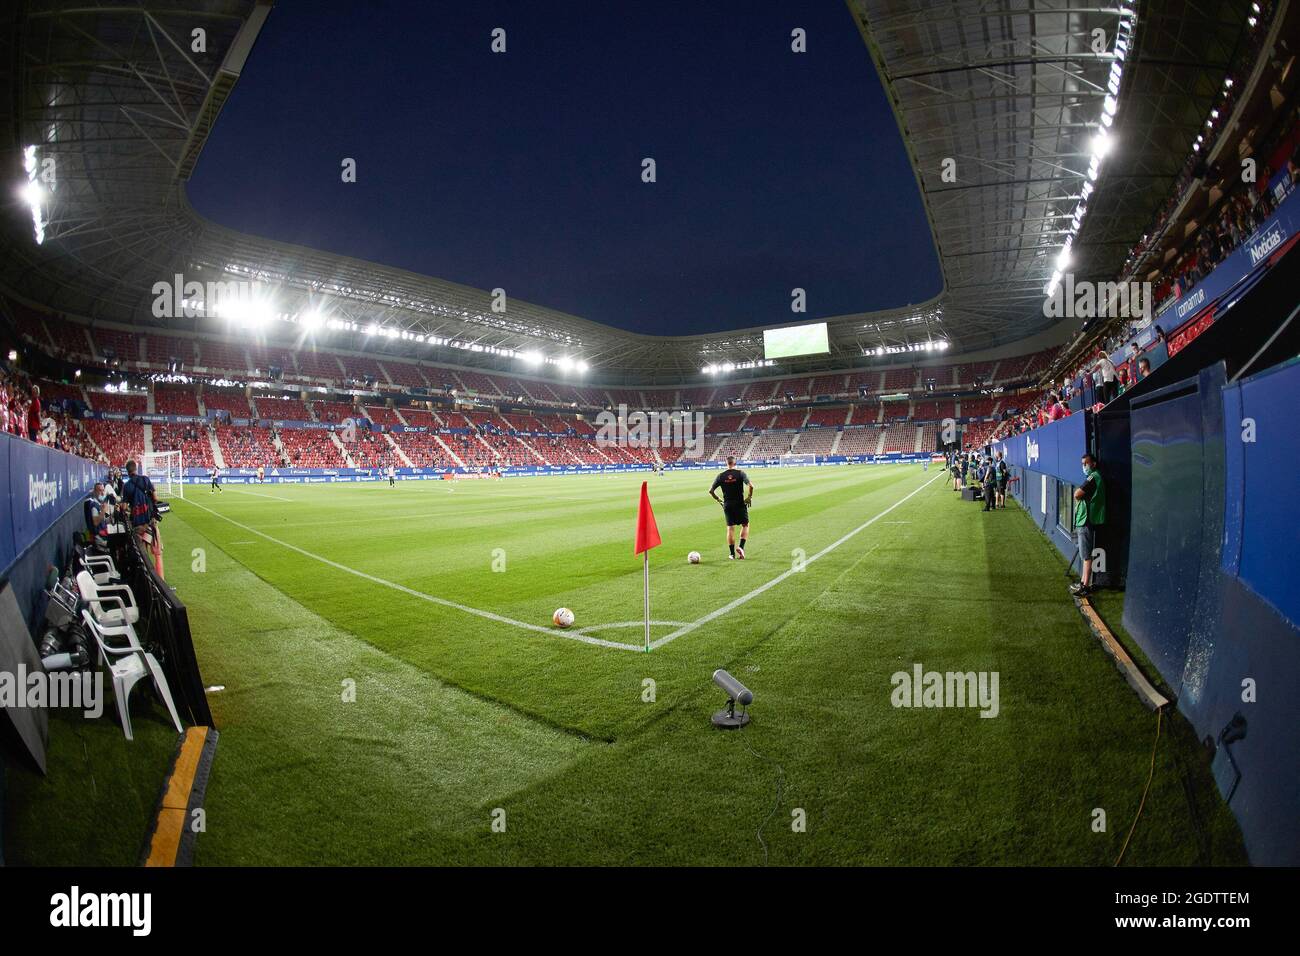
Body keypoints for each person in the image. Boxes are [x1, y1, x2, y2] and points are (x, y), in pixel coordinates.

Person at [1070, 453, 1106, 597]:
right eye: (1082, 464)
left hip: (1086, 520)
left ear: (1094, 463)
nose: (1084, 466)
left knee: (1086, 555)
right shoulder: (1094, 477)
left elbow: (1077, 494)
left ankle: (1085, 585)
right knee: (1085, 553)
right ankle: (1084, 582)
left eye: (1086, 463)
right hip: (1086, 519)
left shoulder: (1093, 477)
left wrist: (1078, 495)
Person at [122, 460, 164, 577]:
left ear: (127, 471)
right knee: (157, 552)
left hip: (138, 523)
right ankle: (161, 581)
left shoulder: (127, 486)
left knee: (143, 554)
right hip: (150, 521)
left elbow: (124, 507)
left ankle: (147, 580)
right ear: (136, 468)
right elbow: (155, 498)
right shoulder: (145, 479)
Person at [709, 455, 753, 560]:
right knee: (745, 524)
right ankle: (741, 547)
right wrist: (749, 497)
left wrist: (718, 499)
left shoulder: (720, 476)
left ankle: (732, 554)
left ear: (726, 463)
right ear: (735, 463)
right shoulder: (741, 473)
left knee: (730, 528)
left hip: (727, 504)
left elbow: (710, 491)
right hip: (740, 503)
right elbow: (751, 486)